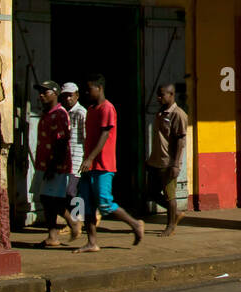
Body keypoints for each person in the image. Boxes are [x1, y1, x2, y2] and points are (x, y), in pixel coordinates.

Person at [75, 74, 144, 252]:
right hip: (89, 166)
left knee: (104, 203)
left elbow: (105, 135)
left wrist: (90, 158)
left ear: (99, 88)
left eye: (89, 89)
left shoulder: (107, 108)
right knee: (86, 203)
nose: (86, 92)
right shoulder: (91, 109)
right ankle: (91, 242)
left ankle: (135, 224)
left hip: (103, 165)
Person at [33, 81, 79, 247]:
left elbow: (61, 142)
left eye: (45, 92)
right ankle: (52, 236)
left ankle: (72, 222)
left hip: (55, 165)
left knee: (52, 199)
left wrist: (53, 166)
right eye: (40, 92)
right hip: (45, 164)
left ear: (55, 93)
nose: (41, 95)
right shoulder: (47, 113)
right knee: (47, 199)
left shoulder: (59, 114)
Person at [145, 83, 188, 236]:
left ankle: (170, 226)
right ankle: (176, 212)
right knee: (152, 192)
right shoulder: (160, 113)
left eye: (162, 95)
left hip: (168, 162)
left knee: (169, 195)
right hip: (156, 160)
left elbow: (180, 140)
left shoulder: (178, 114)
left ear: (171, 95)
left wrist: (175, 164)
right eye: (158, 94)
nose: (158, 98)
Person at [60, 82, 86, 211]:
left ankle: (77, 220)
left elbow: (86, 138)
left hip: (77, 160)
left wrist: (86, 159)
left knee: (73, 192)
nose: (67, 99)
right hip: (66, 160)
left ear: (77, 95)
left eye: (70, 95)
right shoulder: (64, 113)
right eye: (64, 96)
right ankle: (74, 221)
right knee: (66, 193)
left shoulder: (81, 113)